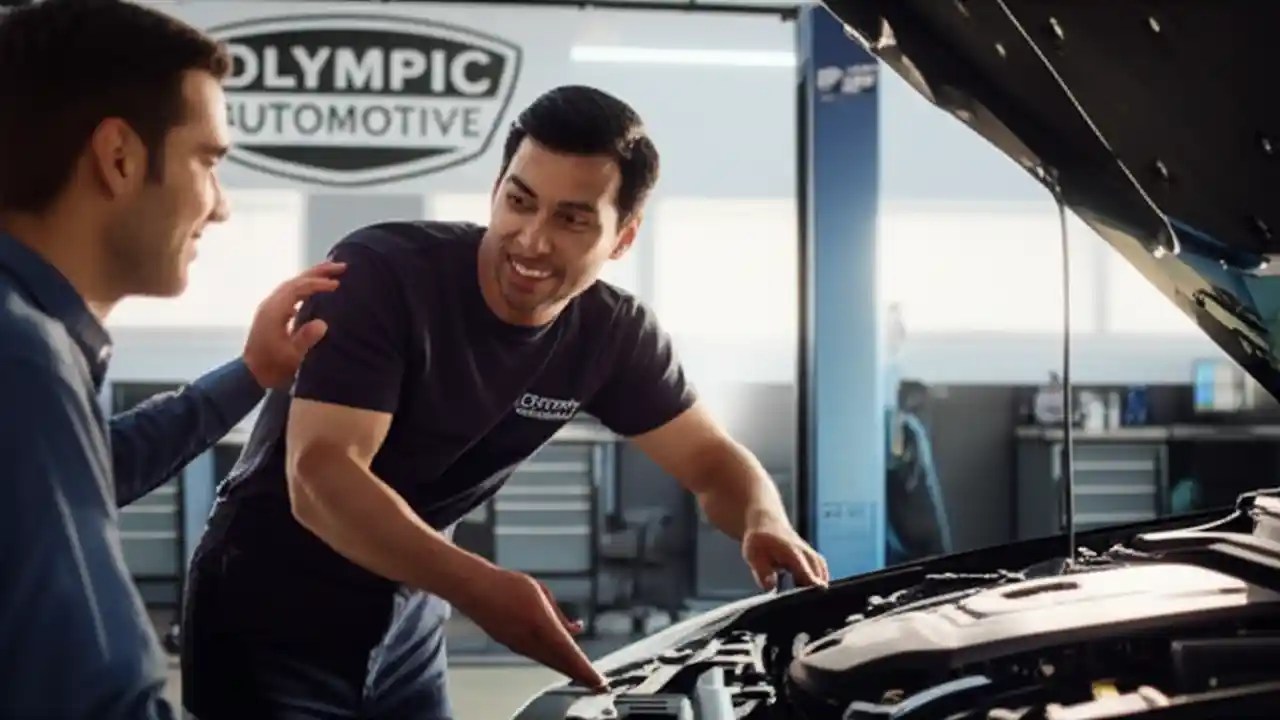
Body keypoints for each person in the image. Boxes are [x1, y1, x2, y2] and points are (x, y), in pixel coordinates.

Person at [182, 83, 830, 719]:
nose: (532, 239)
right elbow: (320, 475)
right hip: (267, 608)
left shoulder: (613, 333)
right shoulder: (383, 275)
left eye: (572, 219)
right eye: (519, 202)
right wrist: (482, 589)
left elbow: (710, 459)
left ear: (623, 238)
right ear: (496, 190)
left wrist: (763, 517)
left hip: (407, 615)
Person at [0, 1, 343, 717]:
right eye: (208, 161)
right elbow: (94, 703)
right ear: (119, 158)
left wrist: (252, 374)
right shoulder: (23, 357)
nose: (220, 207)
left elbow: (94, 469)